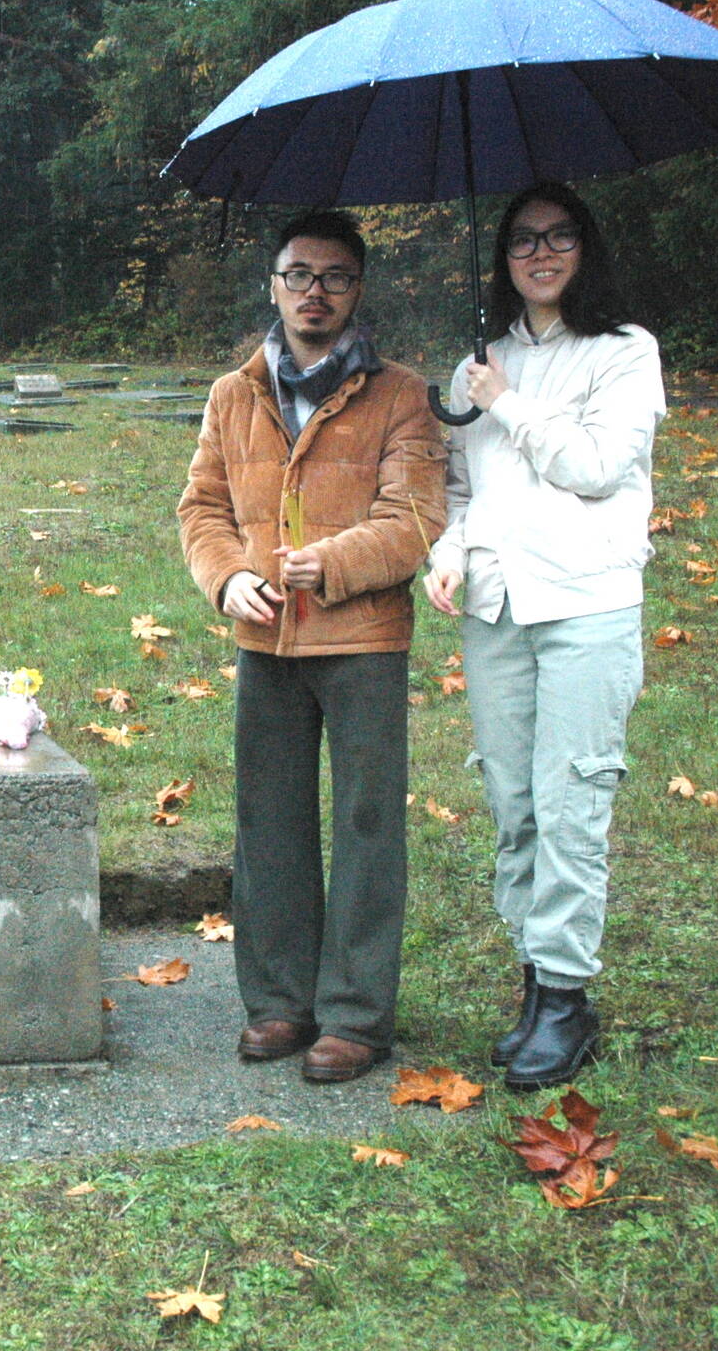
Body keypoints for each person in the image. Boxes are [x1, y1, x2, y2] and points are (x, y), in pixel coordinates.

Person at [177, 211, 446, 1083]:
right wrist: (227, 578)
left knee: (368, 825)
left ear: (357, 290)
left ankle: (357, 1016)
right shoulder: (233, 395)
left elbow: (414, 518)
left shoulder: (401, 395)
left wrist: (326, 564)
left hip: (363, 639)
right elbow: (202, 508)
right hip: (265, 641)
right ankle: (280, 1003)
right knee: (269, 822)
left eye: (334, 277)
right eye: (299, 275)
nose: (314, 292)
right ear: (274, 286)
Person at [424, 182, 663, 1091]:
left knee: (570, 801)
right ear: (504, 258)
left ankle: (567, 997)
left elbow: (597, 467)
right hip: (496, 610)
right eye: (524, 240)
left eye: (560, 236)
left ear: (585, 248)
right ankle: (535, 981)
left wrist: (510, 404)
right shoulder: (477, 367)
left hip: (585, 603)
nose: (542, 253)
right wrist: (448, 553)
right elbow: (463, 490)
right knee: (514, 804)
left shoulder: (624, 352)